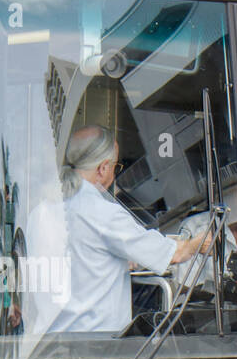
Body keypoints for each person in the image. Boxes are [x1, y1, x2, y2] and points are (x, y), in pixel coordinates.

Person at [41, 125, 210, 334]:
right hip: (93, 346)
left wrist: (114, 261)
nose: (114, 172)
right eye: (115, 166)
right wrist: (200, 242)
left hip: (46, 345)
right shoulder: (103, 213)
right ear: (103, 168)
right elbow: (175, 254)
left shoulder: (41, 211)